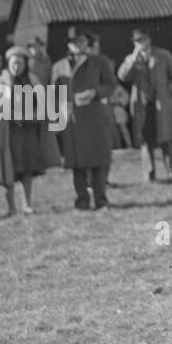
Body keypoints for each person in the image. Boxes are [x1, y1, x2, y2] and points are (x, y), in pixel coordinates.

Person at [0, 46, 58, 215]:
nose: (16, 67)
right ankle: (11, 206)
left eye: (19, 63)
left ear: (25, 64)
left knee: (28, 168)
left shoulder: (32, 80)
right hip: (8, 132)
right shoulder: (0, 81)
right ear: (8, 63)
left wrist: (34, 114)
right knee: (9, 169)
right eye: (13, 63)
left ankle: (27, 204)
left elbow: (43, 104)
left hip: (28, 131)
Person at [52, 28, 116, 211]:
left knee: (98, 162)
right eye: (73, 42)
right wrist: (59, 112)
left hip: (94, 117)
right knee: (77, 165)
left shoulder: (99, 62)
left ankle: (101, 200)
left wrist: (95, 92)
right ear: (68, 45)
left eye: (81, 41)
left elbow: (111, 85)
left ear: (87, 43)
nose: (77, 45)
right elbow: (53, 94)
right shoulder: (59, 67)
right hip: (72, 120)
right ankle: (82, 201)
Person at [117, 28, 172, 182]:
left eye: (143, 40)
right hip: (142, 105)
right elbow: (122, 76)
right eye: (138, 41)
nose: (141, 43)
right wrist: (133, 58)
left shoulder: (163, 55)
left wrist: (170, 92)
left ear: (149, 40)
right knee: (145, 139)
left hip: (161, 104)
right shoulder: (131, 59)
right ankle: (149, 173)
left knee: (167, 138)